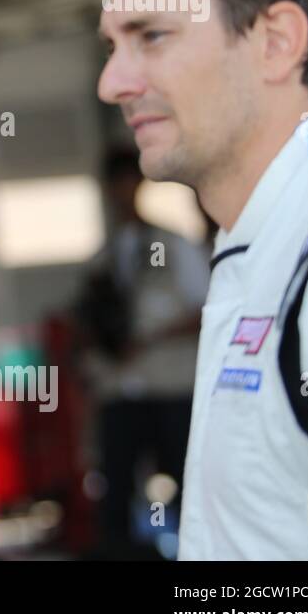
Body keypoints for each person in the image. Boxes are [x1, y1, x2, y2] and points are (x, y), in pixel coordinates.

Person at [97, 0, 308, 559]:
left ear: (276, 41)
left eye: (151, 36)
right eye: (112, 46)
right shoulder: (264, 247)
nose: (112, 82)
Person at [76, 145, 208, 557]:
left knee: (189, 488)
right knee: (115, 489)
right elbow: (88, 325)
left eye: (127, 182)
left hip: (170, 389)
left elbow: (207, 310)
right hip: (120, 390)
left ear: (139, 183)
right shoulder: (103, 259)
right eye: (114, 184)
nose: (121, 192)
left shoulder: (173, 246)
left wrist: (150, 340)